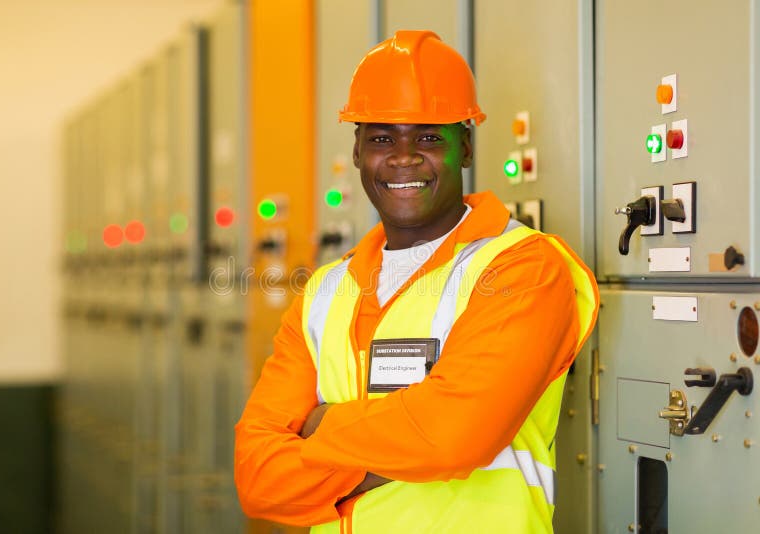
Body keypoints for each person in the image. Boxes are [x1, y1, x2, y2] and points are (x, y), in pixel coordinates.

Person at [235, 30, 598, 533]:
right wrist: (405, 434)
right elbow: (257, 477)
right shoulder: (323, 291)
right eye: (382, 138)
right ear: (358, 151)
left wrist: (320, 427)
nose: (403, 157)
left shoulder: (524, 269)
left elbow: (451, 437)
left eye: (428, 137)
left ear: (465, 147)